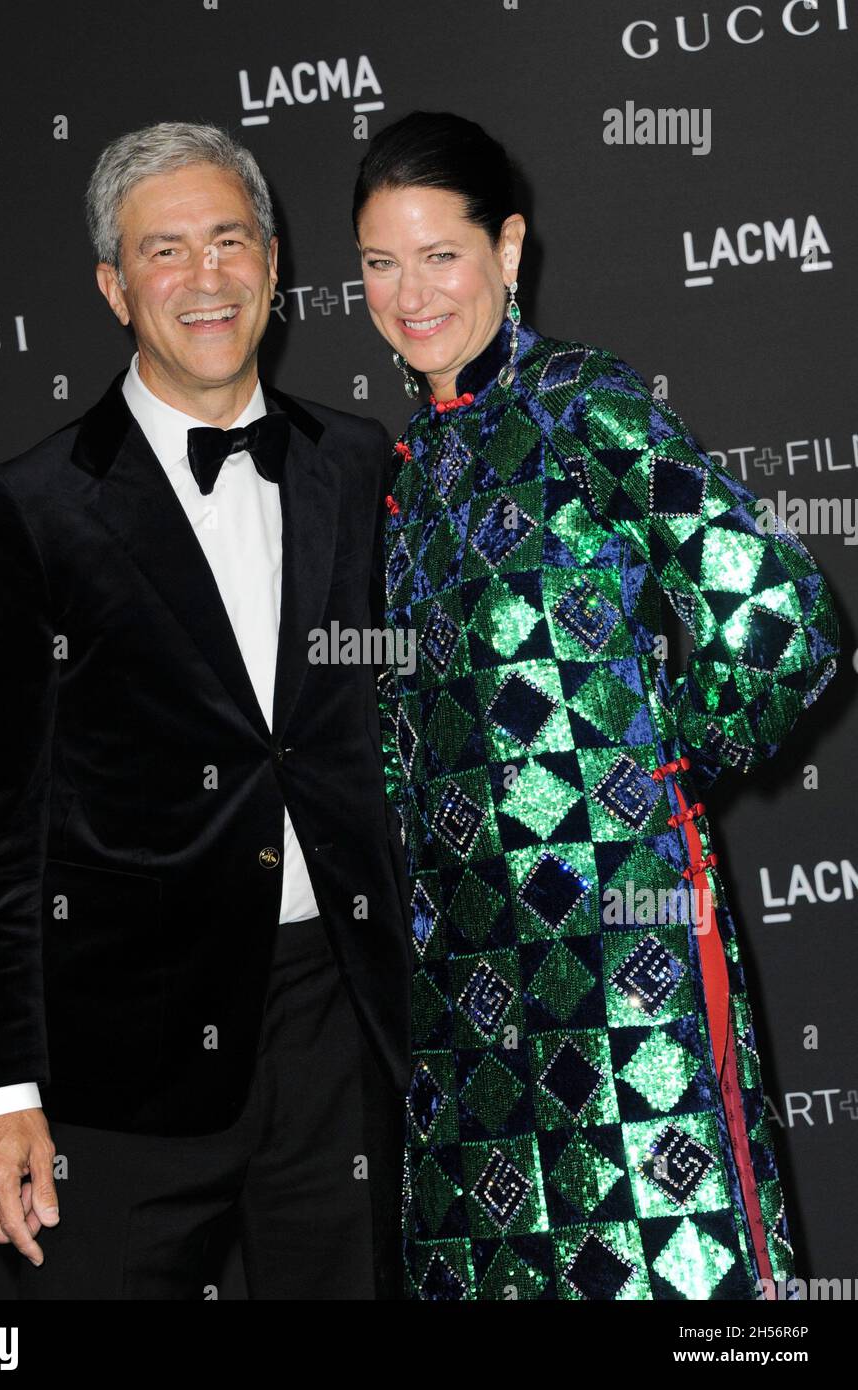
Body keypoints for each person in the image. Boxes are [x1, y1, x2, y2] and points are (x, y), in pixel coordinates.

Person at [353, 110, 840, 1301]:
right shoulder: (401, 471)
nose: (409, 293)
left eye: (441, 254)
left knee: (658, 1262)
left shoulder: (579, 403)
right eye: (378, 262)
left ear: (507, 251)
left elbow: (778, 614)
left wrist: (660, 766)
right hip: (465, 986)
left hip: (622, 951)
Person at [0, 120, 412, 1300]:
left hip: (336, 1030)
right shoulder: (32, 510)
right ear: (112, 285)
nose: (204, 278)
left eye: (229, 241)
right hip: (118, 1063)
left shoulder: (359, 462)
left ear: (271, 259)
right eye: (165, 251)